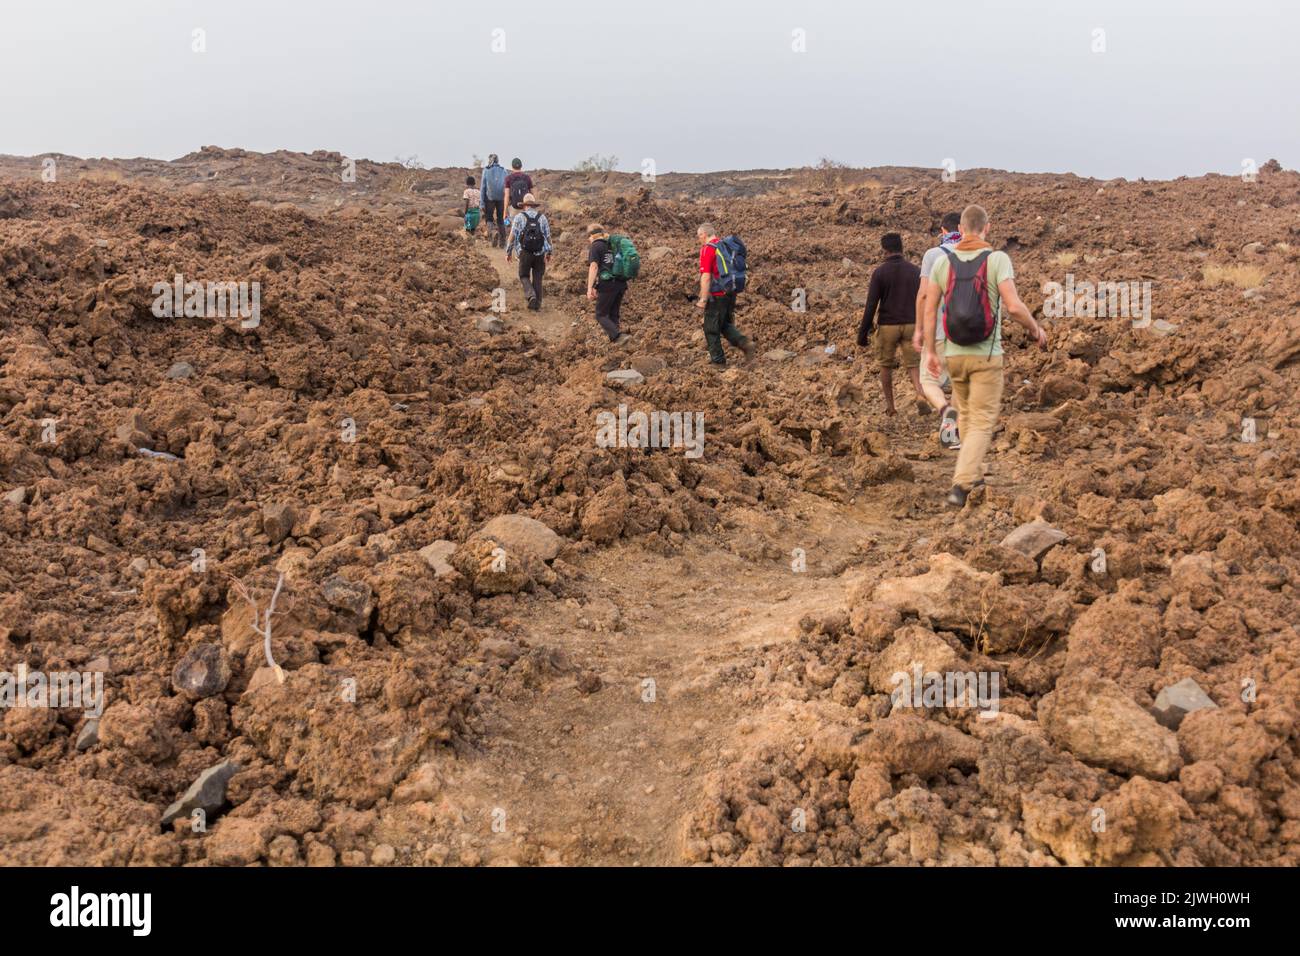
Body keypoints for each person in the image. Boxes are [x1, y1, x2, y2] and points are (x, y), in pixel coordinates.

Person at [922, 204, 1048, 508]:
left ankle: (974, 475)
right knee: (981, 420)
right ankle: (961, 484)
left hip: (954, 354)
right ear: (987, 228)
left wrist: (929, 350)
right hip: (986, 356)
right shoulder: (996, 260)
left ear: (960, 230)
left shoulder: (943, 262)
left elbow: (929, 307)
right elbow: (1014, 306)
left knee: (964, 412)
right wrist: (1035, 328)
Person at [857, 233, 923, 416]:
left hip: (888, 326)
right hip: (911, 323)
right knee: (913, 366)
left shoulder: (880, 273)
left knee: (886, 365)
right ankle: (921, 395)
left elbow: (871, 304)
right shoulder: (915, 271)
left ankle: (891, 407)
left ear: (884, 250)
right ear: (901, 248)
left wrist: (862, 334)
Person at [914, 212, 963, 448]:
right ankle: (952, 436)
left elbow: (924, 294)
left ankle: (945, 411)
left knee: (928, 381)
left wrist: (919, 328)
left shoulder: (933, 255)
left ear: (943, 231)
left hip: (940, 330)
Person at [697, 223, 755, 366]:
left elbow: (706, 277)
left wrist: (703, 299)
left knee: (710, 328)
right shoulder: (724, 246)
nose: (699, 239)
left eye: (699, 236)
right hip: (730, 291)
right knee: (723, 324)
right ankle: (745, 344)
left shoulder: (707, 249)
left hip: (717, 294)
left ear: (703, 234)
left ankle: (718, 362)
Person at [587, 224, 632, 345]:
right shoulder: (613, 245)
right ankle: (618, 343)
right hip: (621, 284)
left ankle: (618, 336)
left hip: (608, 285)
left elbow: (594, 266)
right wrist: (596, 286)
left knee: (600, 314)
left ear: (592, 235)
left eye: (588, 236)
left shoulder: (596, 246)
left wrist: (590, 288)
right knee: (613, 313)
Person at [505, 194, 552, 310]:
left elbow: (512, 236)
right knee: (538, 277)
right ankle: (538, 304)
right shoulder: (542, 218)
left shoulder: (519, 217)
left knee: (524, 275)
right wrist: (549, 252)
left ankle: (531, 296)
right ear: (533, 205)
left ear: (524, 205)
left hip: (524, 253)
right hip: (539, 253)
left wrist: (508, 252)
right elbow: (548, 237)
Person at [480, 154, 507, 247]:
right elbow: (507, 186)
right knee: (500, 219)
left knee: (489, 218)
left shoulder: (486, 170)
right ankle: (503, 240)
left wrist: (482, 203)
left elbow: (483, 187)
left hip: (489, 197)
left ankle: (492, 234)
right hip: (501, 198)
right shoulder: (504, 170)